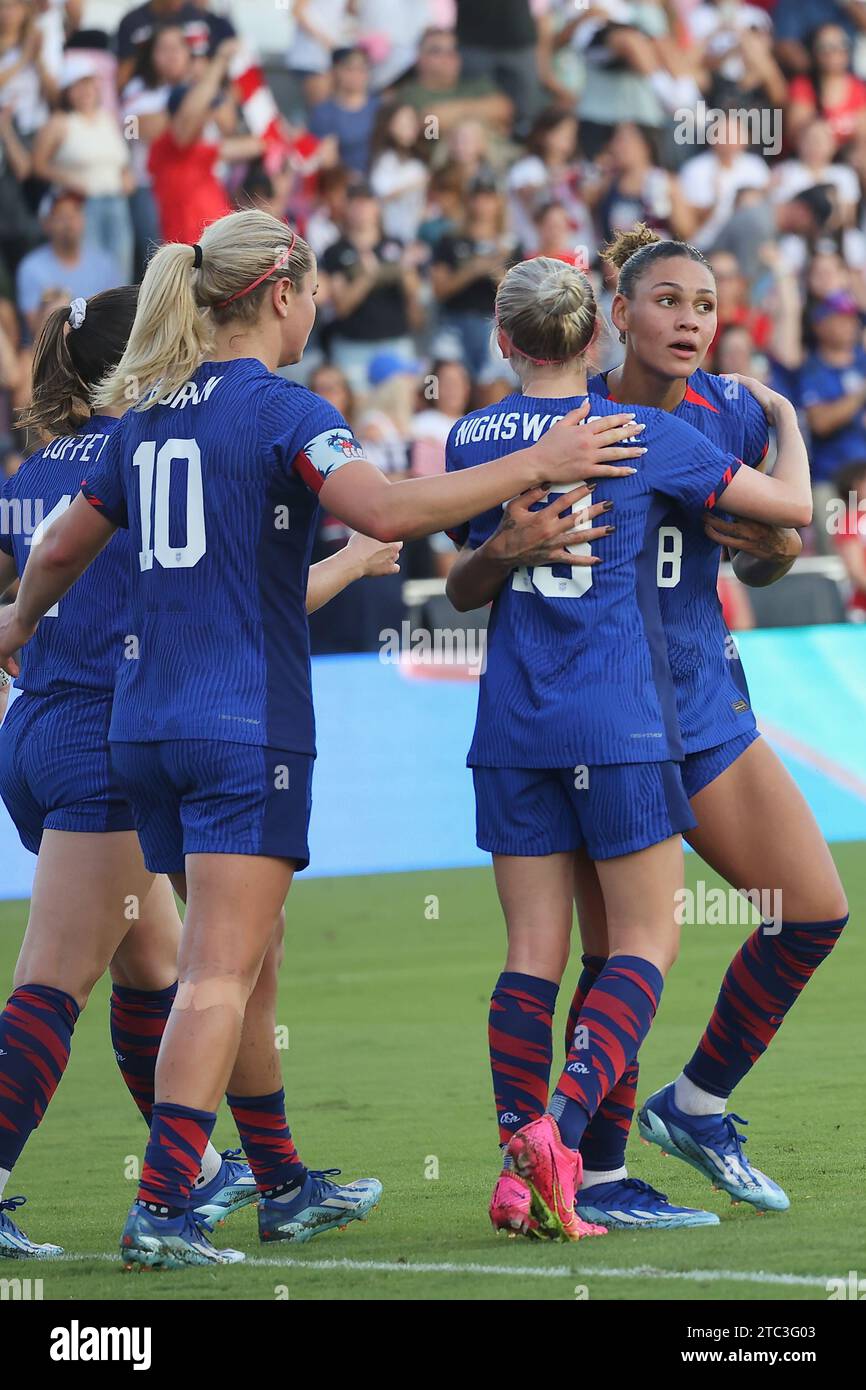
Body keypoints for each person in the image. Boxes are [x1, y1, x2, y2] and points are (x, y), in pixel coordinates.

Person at [0, 208, 645, 1268]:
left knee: (239, 960)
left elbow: (65, 542)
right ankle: (164, 1204)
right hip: (240, 726)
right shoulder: (282, 409)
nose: (316, 312)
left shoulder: (145, 416)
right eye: (311, 293)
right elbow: (385, 510)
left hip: (143, 731)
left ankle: (283, 1182)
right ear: (280, 290)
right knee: (213, 970)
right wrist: (540, 458)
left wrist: (20, 621)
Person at [452, 232, 846, 1235]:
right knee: (615, 944)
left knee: (808, 909)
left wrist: (773, 545)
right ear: (613, 317)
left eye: (705, 306)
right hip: (621, 708)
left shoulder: (722, 412)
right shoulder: (588, 420)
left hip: (700, 697)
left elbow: (767, 551)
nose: (689, 322)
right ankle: (598, 1165)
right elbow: (467, 572)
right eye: (666, 301)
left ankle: (695, 1105)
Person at [0, 287, 258, 1258]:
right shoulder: (146, 460)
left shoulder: (31, 470)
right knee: (52, 981)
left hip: (36, 732)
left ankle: (187, 1171)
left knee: (154, 962)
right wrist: (354, 567)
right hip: (104, 744)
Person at [33, 53, 135, 282]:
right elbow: (38, 165)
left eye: (89, 84)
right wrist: (67, 179)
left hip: (117, 201)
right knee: (92, 268)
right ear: (67, 92)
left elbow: (122, 157)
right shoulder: (59, 123)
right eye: (78, 85)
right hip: (82, 205)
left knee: (121, 267)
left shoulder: (108, 119)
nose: (85, 90)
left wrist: (127, 176)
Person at [15, 190, 121, 343]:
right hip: (53, 351)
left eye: (75, 213)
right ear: (46, 223)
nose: (69, 223)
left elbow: (116, 316)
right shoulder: (31, 267)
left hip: (99, 349)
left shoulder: (105, 263)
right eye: (61, 217)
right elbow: (36, 328)